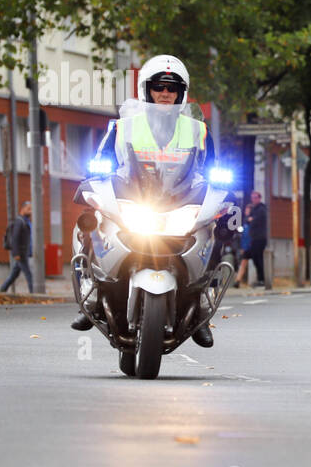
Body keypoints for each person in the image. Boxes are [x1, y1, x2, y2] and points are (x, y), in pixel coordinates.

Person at [71, 55, 217, 344]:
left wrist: (221, 190)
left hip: (179, 201)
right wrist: (94, 177)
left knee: (215, 228)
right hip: (133, 198)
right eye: (159, 87)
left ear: (181, 93)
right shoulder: (122, 127)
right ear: (146, 89)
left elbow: (211, 168)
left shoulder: (198, 130)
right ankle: (91, 294)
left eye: (172, 88)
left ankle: (201, 307)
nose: (165, 93)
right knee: (91, 221)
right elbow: (101, 162)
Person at [236, 190, 270, 288]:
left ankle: (261, 280)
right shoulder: (254, 209)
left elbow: (255, 221)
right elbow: (247, 219)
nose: (253, 199)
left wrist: (252, 219)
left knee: (258, 258)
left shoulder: (261, 209)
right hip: (253, 238)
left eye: (255, 197)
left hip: (260, 238)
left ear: (259, 198)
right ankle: (258, 280)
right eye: (252, 197)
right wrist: (250, 219)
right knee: (254, 259)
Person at [0, 202, 34, 294]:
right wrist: (16, 253)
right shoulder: (19, 221)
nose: (30, 211)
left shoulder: (26, 221)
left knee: (14, 274)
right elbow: (15, 238)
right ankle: (33, 293)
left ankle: (2, 289)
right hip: (21, 253)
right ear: (22, 209)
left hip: (24, 252)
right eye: (28, 209)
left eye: (31, 209)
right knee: (29, 274)